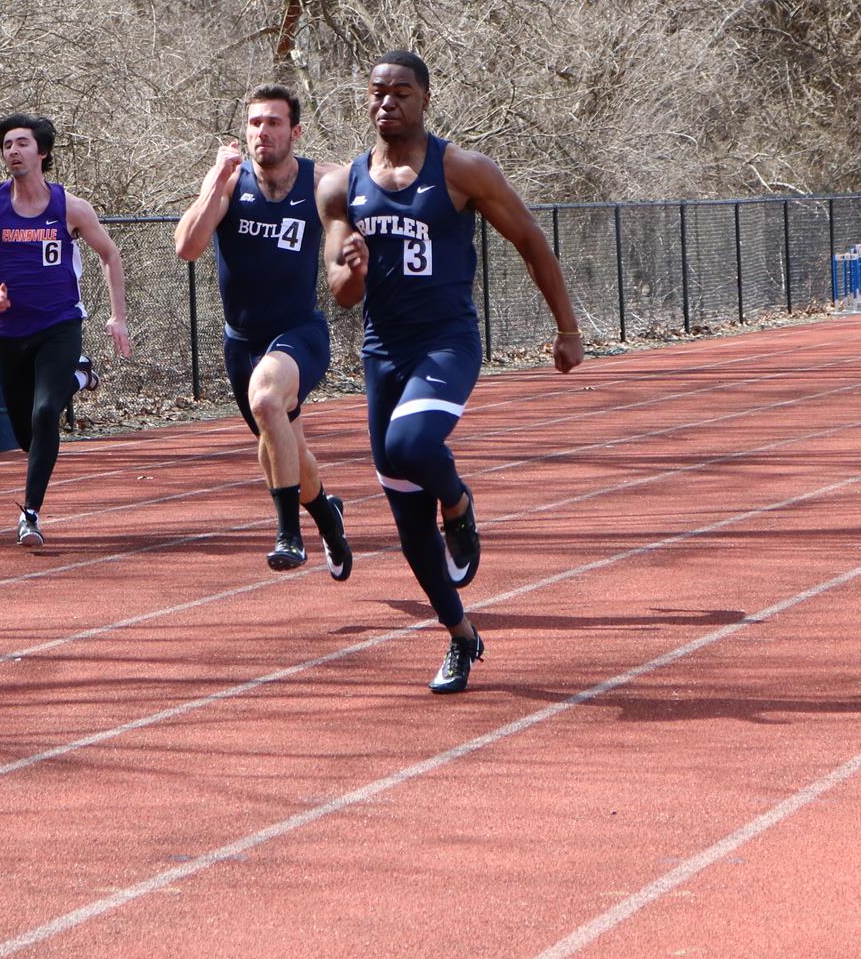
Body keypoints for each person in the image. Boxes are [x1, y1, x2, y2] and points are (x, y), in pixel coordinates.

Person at [318, 50, 585, 693]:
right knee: (408, 524)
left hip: (447, 342)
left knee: (412, 446)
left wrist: (567, 327)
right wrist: (349, 269)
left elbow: (529, 239)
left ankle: (460, 506)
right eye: (378, 93)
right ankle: (460, 637)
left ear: (425, 99)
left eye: (401, 92)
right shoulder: (340, 186)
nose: (387, 103)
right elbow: (341, 295)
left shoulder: (462, 170)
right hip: (383, 352)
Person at [172, 84, 353, 578]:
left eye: (273, 122)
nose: (262, 132)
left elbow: (377, 198)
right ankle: (328, 519)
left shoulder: (323, 180)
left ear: (294, 131)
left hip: (300, 331)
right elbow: (187, 247)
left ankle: (288, 536)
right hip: (241, 343)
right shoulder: (229, 183)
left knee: (268, 400)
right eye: (254, 123)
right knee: (288, 450)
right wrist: (215, 180)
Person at [0, 114, 130, 548]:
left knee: (44, 415)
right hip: (11, 329)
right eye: (7, 145)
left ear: (42, 153)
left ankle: (31, 515)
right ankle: (79, 375)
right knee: (26, 435)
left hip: (59, 323)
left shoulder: (71, 207)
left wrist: (118, 316)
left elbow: (110, 255)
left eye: (22, 143)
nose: (13, 151)